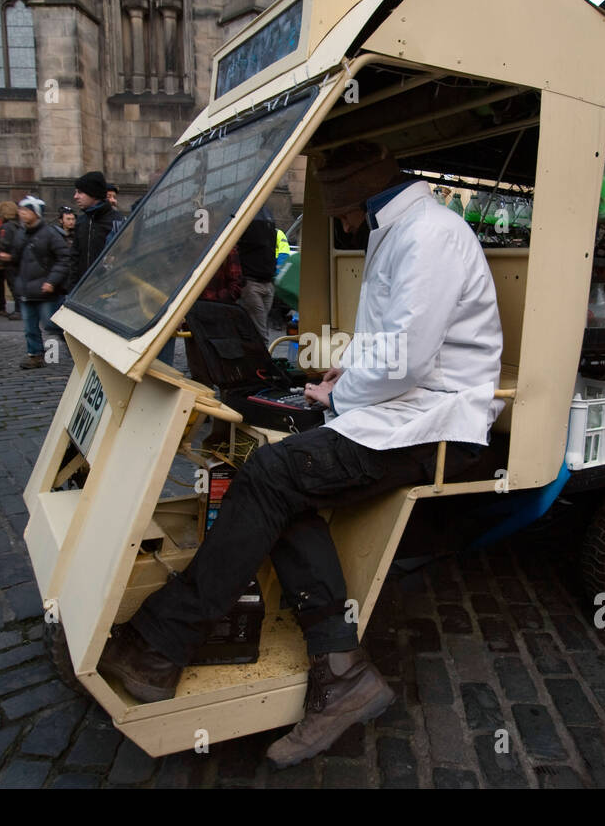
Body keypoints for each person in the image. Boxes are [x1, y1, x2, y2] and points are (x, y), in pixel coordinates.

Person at [99, 141, 504, 768]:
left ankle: (163, 641)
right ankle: (340, 668)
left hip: (435, 427)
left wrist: (339, 395)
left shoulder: (429, 235)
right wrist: (347, 376)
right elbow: (397, 345)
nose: (342, 224)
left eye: (342, 213)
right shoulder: (411, 230)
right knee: (280, 477)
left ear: (362, 201)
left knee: (272, 474)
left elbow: (408, 358)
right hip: (407, 411)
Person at [5, 196, 72, 370]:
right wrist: (8, 258)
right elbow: (17, 258)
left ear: (36, 213)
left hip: (45, 289)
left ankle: (73, 344)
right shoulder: (20, 233)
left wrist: (52, 281)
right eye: (20, 210)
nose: (21, 213)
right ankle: (35, 355)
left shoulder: (50, 233)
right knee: (29, 326)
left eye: (26, 210)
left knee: (51, 325)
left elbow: (64, 258)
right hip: (26, 288)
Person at [69, 171, 119, 291]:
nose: (75, 196)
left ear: (93, 194)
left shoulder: (117, 221)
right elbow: (74, 258)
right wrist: (72, 289)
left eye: (80, 192)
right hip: (81, 291)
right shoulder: (81, 221)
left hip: (107, 293)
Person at [237, 209, 278, 342]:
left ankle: (254, 357)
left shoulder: (262, 218)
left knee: (257, 326)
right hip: (254, 283)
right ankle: (262, 359)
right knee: (260, 329)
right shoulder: (264, 218)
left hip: (264, 282)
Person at [0, 200, 23, 321]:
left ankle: (19, 310)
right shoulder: (20, 225)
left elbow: (3, 244)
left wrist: (0, 260)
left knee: (14, 286)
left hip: (10, 261)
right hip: (19, 260)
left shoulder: (6, 227)